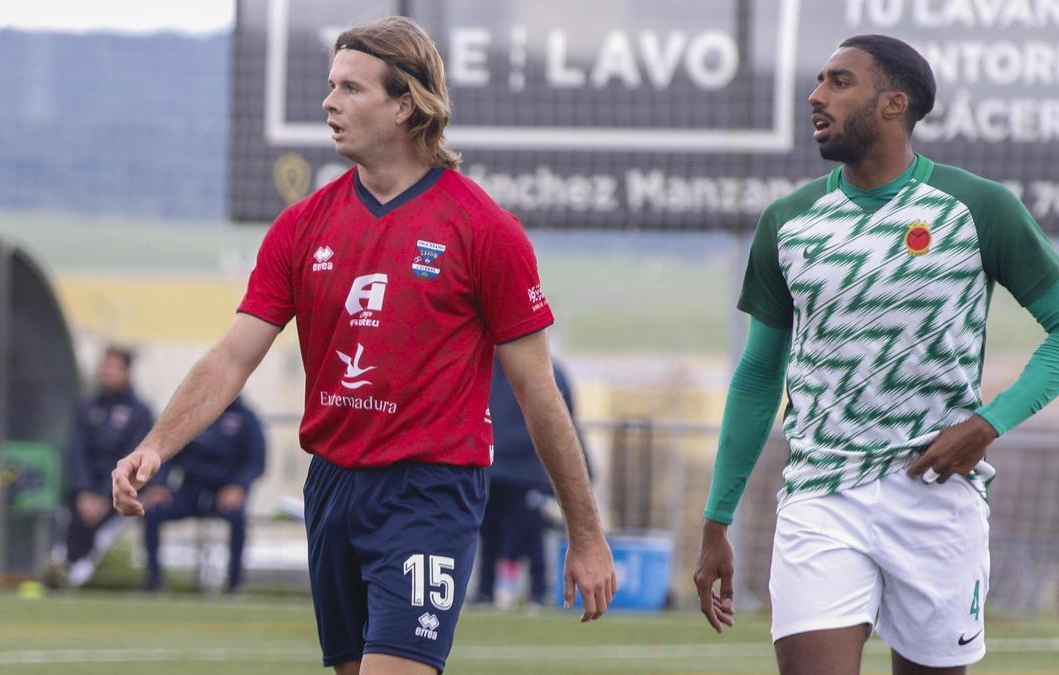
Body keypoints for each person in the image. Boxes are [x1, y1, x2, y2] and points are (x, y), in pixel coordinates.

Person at [110, 16, 615, 675]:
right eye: (330, 85)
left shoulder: (483, 229)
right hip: (333, 488)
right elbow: (232, 357)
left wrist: (586, 531)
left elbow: (538, 392)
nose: (329, 102)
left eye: (350, 88)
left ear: (406, 104)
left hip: (430, 491)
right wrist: (155, 445)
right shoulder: (301, 227)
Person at [694, 35, 1059, 675]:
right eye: (818, 81)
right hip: (820, 495)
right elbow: (757, 376)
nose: (816, 96)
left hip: (937, 495)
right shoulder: (789, 221)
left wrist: (985, 426)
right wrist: (717, 517)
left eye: (839, 82)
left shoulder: (978, 208)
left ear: (894, 104)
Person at [476, 355, 580, 609]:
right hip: (492, 467)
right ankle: (485, 592)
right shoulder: (484, 364)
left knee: (531, 533)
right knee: (488, 532)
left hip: (529, 470)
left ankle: (537, 593)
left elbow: (566, 420)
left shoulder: (549, 371)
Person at [49, 346, 153, 588]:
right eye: (104, 366)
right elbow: (78, 451)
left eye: (113, 367)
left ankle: (72, 575)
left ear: (127, 372)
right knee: (74, 519)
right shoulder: (87, 407)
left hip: (118, 491)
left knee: (98, 529)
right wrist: (86, 490)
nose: (106, 372)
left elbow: (132, 456)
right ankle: (62, 568)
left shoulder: (140, 413)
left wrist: (106, 494)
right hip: (85, 492)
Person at [142, 397, 266, 592]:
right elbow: (170, 452)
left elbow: (257, 462)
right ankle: (154, 581)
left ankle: (234, 585)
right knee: (152, 510)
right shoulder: (194, 415)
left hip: (224, 493)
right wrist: (159, 484)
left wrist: (239, 486)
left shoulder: (247, 418)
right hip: (190, 490)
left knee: (238, 518)